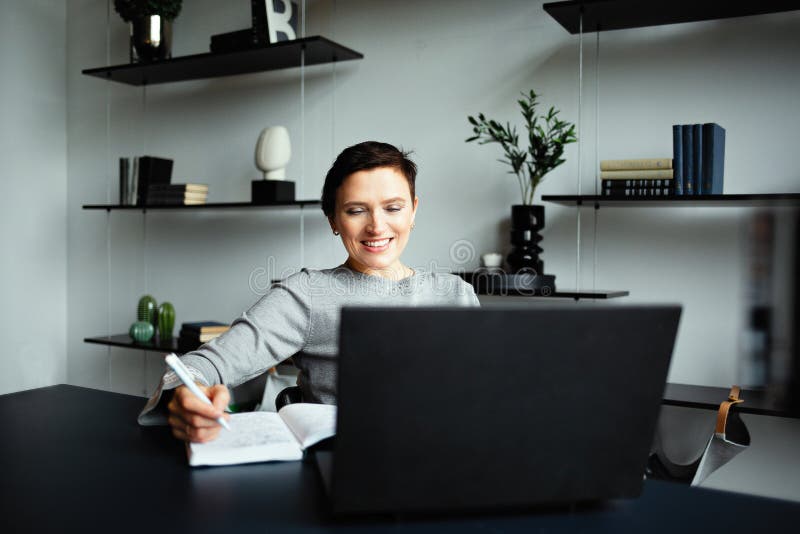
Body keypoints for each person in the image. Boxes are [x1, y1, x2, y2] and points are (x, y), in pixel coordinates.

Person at [138, 141, 479, 442]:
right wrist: (185, 395)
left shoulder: (456, 294)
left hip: (447, 457)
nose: (377, 225)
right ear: (333, 219)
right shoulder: (307, 294)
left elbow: (486, 396)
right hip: (345, 463)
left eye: (393, 208)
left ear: (414, 209)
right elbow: (205, 364)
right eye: (356, 210)